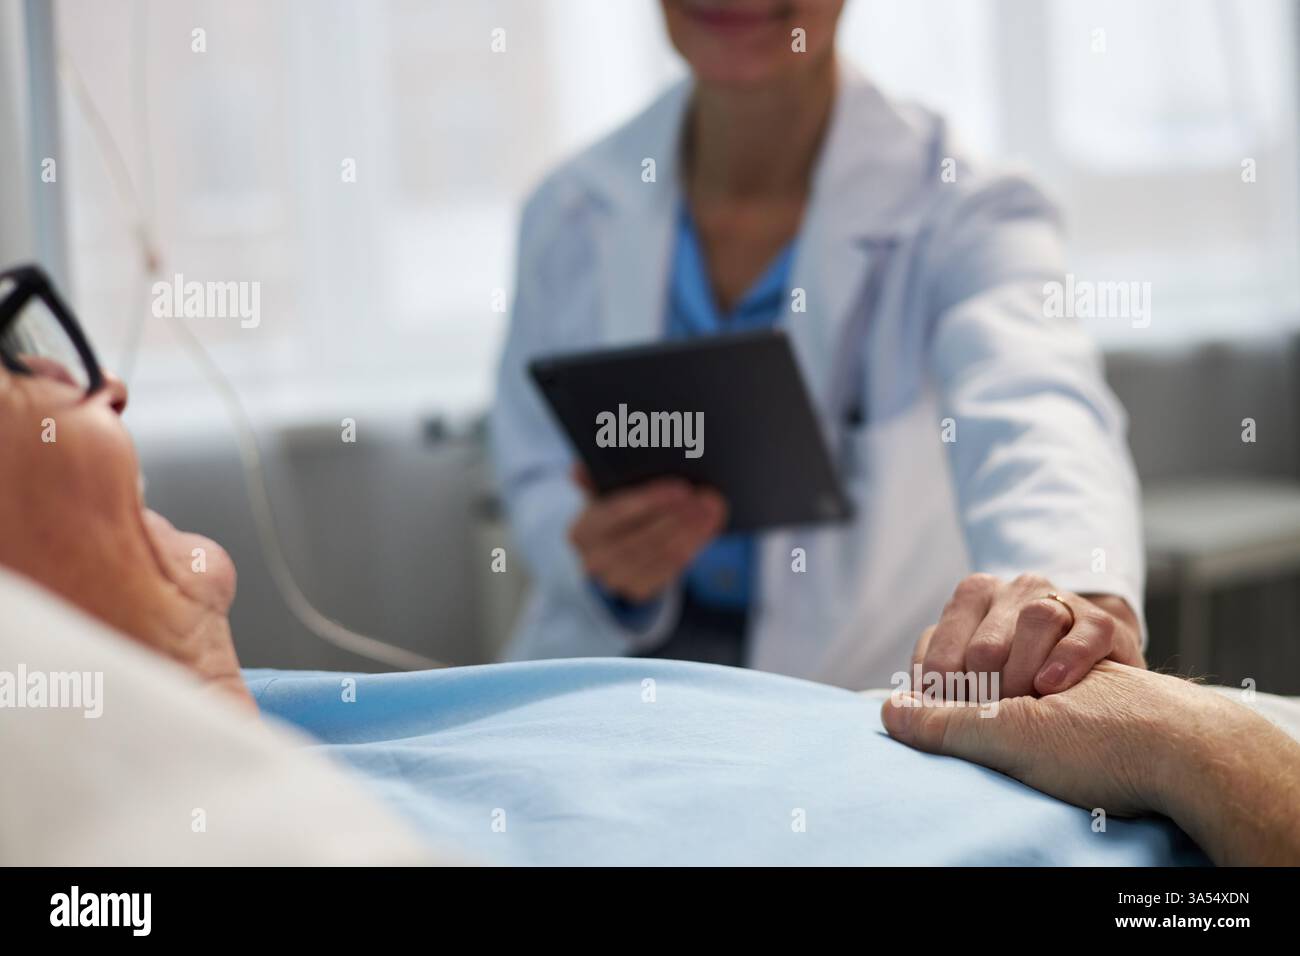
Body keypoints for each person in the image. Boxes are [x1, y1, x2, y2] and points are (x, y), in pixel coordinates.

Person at [3, 263, 1297, 866]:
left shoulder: (952, 196)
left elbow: (1035, 406)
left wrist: (1068, 624)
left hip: (986, 706)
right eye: (21, 354)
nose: (95, 384)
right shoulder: (583, 204)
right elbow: (531, 478)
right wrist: (616, 567)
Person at [490, 0, 1146, 689]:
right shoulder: (569, 209)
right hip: (607, 668)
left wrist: (1066, 594)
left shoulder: (968, 208)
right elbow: (534, 467)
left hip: (853, 689)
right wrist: (598, 559)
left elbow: (1034, 401)